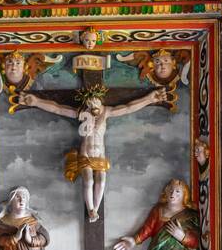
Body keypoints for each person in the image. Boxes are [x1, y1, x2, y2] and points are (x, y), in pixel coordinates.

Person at [17, 81, 168, 222]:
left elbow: (128, 107)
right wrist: (36, 101)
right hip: (86, 154)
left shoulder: (107, 112)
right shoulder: (81, 113)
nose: (92, 106)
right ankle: (91, 209)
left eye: (94, 103)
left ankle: (95, 209)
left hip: (100, 155)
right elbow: (57, 108)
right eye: (89, 104)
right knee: (88, 181)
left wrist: (149, 99)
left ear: (100, 101)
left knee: (101, 182)